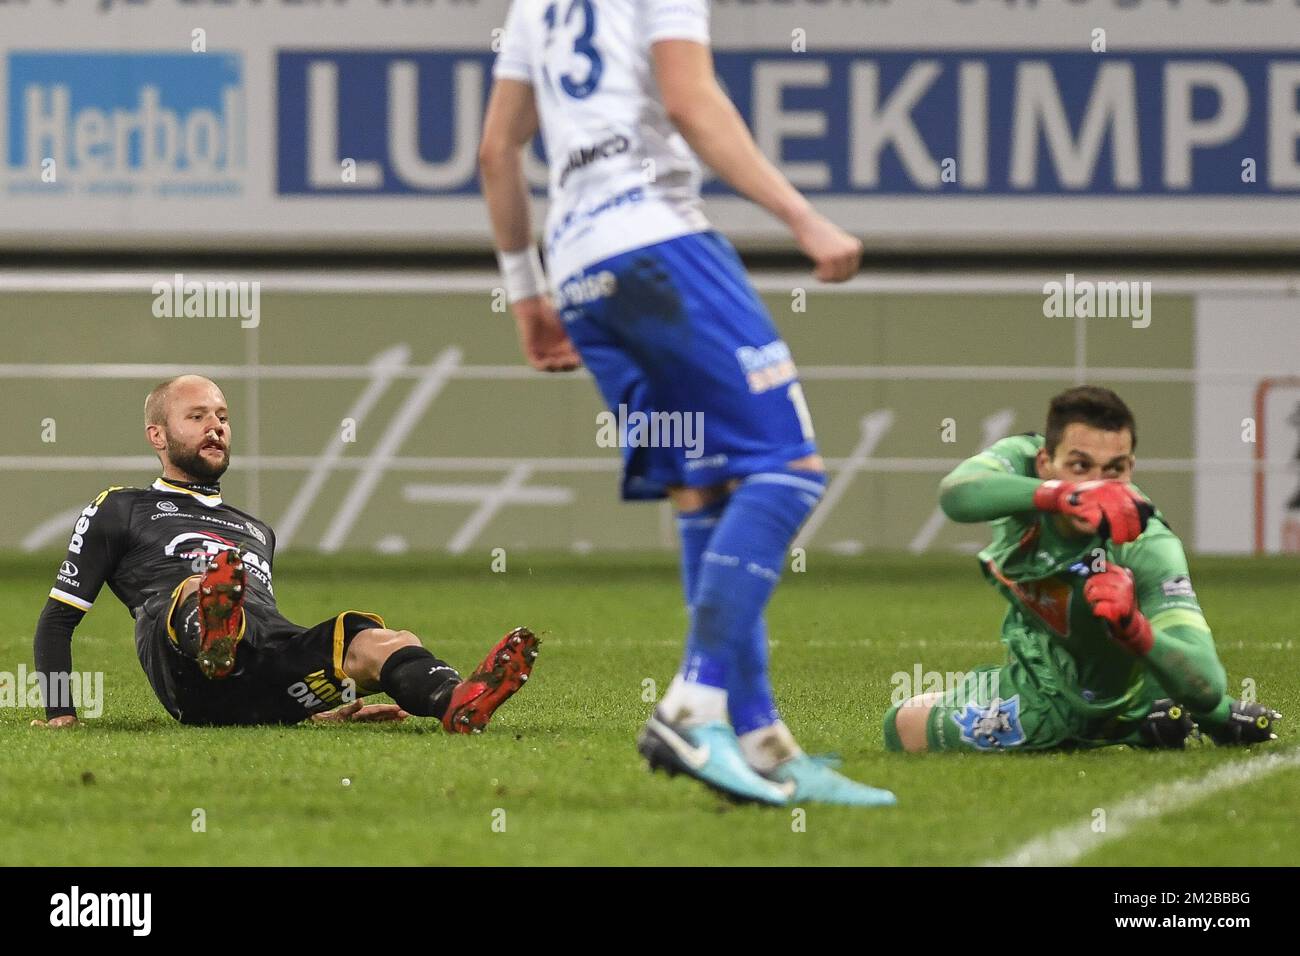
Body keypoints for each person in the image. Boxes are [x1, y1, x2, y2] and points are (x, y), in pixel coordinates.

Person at [478, 0, 893, 805]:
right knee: (788, 470)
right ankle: (691, 706)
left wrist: (526, 295)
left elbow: (496, 150)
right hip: (657, 244)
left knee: (703, 488)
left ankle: (762, 743)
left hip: (579, 270)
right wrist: (805, 219)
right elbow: (690, 101)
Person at [30, 374, 538, 731]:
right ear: (157, 436)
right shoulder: (121, 507)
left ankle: (458, 701)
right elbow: (58, 620)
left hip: (262, 677)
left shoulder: (255, 530)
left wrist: (326, 705)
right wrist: (60, 714)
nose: (216, 426)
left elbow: (270, 623)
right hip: (186, 676)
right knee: (198, 587)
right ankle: (212, 632)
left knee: (378, 639)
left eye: (223, 417)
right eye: (197, 416)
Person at [883, 386, 1282, 753]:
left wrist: (1135, 629)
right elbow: (956, 495)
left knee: (901, 724)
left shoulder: (1147, 544)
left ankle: (1130, 724)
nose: (1098, 485)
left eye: (1114, 470)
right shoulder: (1021, 465)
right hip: (1042, 652)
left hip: (1057, 702)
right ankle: (1161, 721)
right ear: (1045, 462)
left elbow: (1208, 684)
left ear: (1131, 467)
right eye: (1080, 466)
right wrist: (1065, 496)